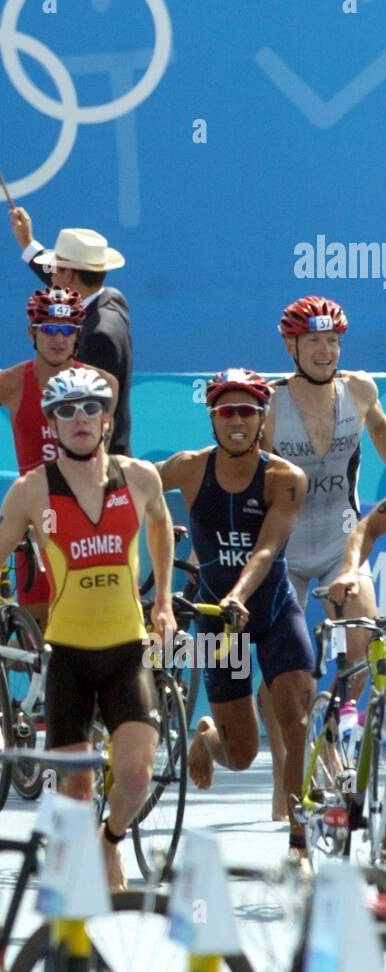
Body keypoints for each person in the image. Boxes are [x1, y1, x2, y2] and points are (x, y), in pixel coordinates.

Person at [0, 368, 174, 888]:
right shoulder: (31, 491)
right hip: (69, 657)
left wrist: (163, 601)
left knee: (136, 778)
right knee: (75, 791)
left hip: (127, 652)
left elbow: (161, 525)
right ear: (51, 425)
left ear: (107, 419)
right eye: (66, 411)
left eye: (91, 408)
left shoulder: (140, 478)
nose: (80, 418)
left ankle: (110, 841)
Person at [157, 368, 313, 858]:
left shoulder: (287, 478)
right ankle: (207, 736)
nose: (237, 421)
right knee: (242, 756)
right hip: (216, 620)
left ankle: (299, 845)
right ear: (212, 418)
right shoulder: (187, 468)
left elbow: (266, 550)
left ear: (263, 418)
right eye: (227, 412)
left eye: (247, 411)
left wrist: (240, 596)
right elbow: (129, 484)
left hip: (271, 610)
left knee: (295, 721)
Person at [260, 295, 386, 819]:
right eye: (313, 341)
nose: (325, 350)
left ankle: (331, 738)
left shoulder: (360, 390)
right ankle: (283, 769)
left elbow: (383, 438)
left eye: (332, 341)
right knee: (285, 677)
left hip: (342, 542)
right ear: (290, 346)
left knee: (364, 646)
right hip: (284, 548)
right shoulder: (268, 402)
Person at [0, 289, 118, 627]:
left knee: (94, 616)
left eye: (67, 330)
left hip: (87, 511)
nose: (58, 339)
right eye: (49, 329)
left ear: (78, 334)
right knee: (38, 627)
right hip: (36, 511)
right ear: (32, 332)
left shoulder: (103, 385)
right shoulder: (9, 383)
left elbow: (106, 452)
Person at [10, 215, 134, 455]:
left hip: (97, 461)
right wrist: (28, 243)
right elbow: (60, 280)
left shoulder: (97, 336)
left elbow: (92, 412)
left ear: (68, 276)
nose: (51, 276)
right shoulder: (112, 298)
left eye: (55, 268)